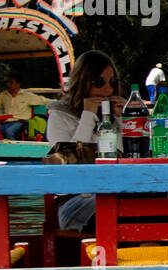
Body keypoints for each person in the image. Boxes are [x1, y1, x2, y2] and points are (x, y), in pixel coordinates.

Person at [46, 50, 120, 232]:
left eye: (112, 82)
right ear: (84, 81)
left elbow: (125, 156)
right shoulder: (59, 116)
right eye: (99, 82)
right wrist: (87, 116)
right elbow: (68, 165)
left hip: (115, 193)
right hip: (75, 200)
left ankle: (149, 254)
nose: (107, 89)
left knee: (153, 204)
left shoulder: (114, 115)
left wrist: (123, 121)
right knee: (107, 210)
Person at [0, 75, 48, 140]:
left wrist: (59, 103)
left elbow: (44, 100)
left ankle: (13, 149)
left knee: (9, 131)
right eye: (7, 82)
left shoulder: (27, 96)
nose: (8, 84)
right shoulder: (3, 95)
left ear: (18, 84)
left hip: (20, 122)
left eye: (11, 82)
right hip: (5, 122)